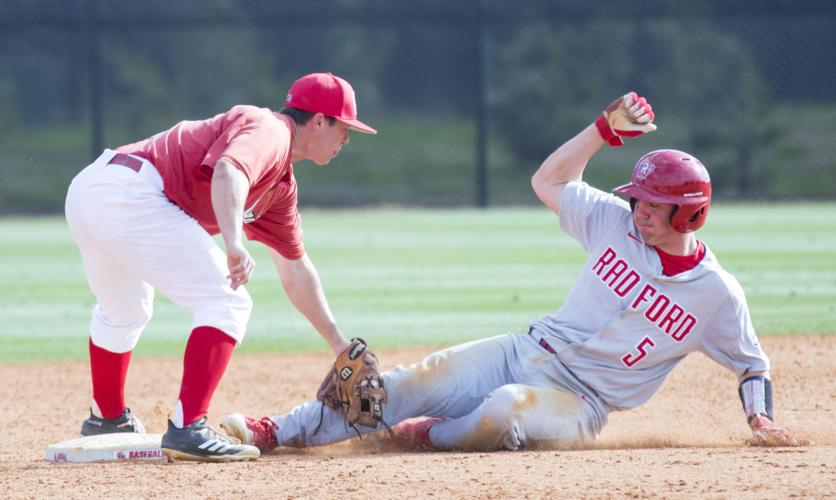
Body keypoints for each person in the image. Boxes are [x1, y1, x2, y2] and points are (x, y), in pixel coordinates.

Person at [220, 91, 802, 453]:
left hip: (582, 402)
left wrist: (761, 419)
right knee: (416, 377)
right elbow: (549, 181)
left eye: (654, 203)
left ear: (690, 213)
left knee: (503, 409)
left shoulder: (715, 294)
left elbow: (752, 364)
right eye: (638, 198)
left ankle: (425, 434)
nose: (639, 209)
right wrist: (601, 132)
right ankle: (280, 430)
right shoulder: (614, 222)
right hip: (525, 349)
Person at [64, 72, 377, 462]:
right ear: (318, 121)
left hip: (94, 191)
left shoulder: (280, 186)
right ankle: (189, 428)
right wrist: (233, 243)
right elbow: (230, 171)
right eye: (344, 129)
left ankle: (107, 419)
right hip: (129, 194)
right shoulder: (270, 131)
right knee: (227, 300)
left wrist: (339, 345)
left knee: (125, 310)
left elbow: (296, 270)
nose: (346, 140)